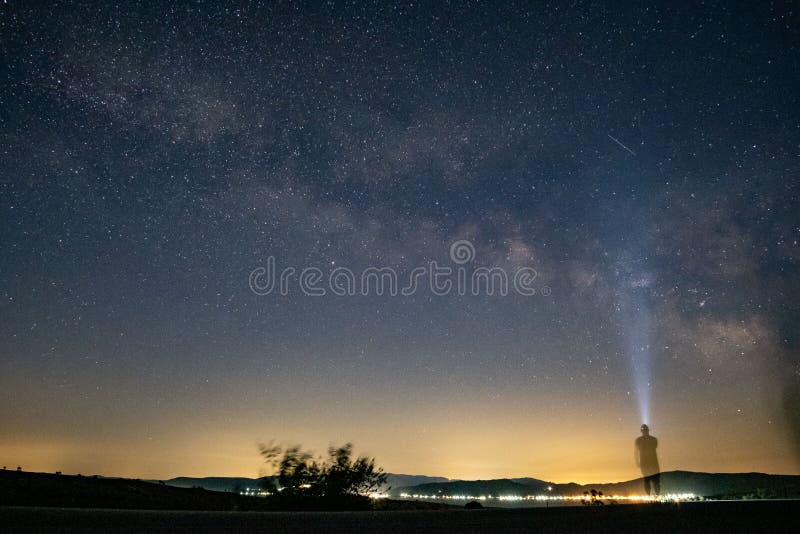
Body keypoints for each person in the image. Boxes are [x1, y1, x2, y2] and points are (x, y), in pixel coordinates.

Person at [634, 424, 660, 496]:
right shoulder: (653, 439)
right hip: (651, 462)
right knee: (652, 480)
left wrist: (637, 462)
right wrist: (637, 461)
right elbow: (636, 452)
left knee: (649, 480)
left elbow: (636, 452)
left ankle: (652, 496)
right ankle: (654, 495)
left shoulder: (639, 440)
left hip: (647, 462)